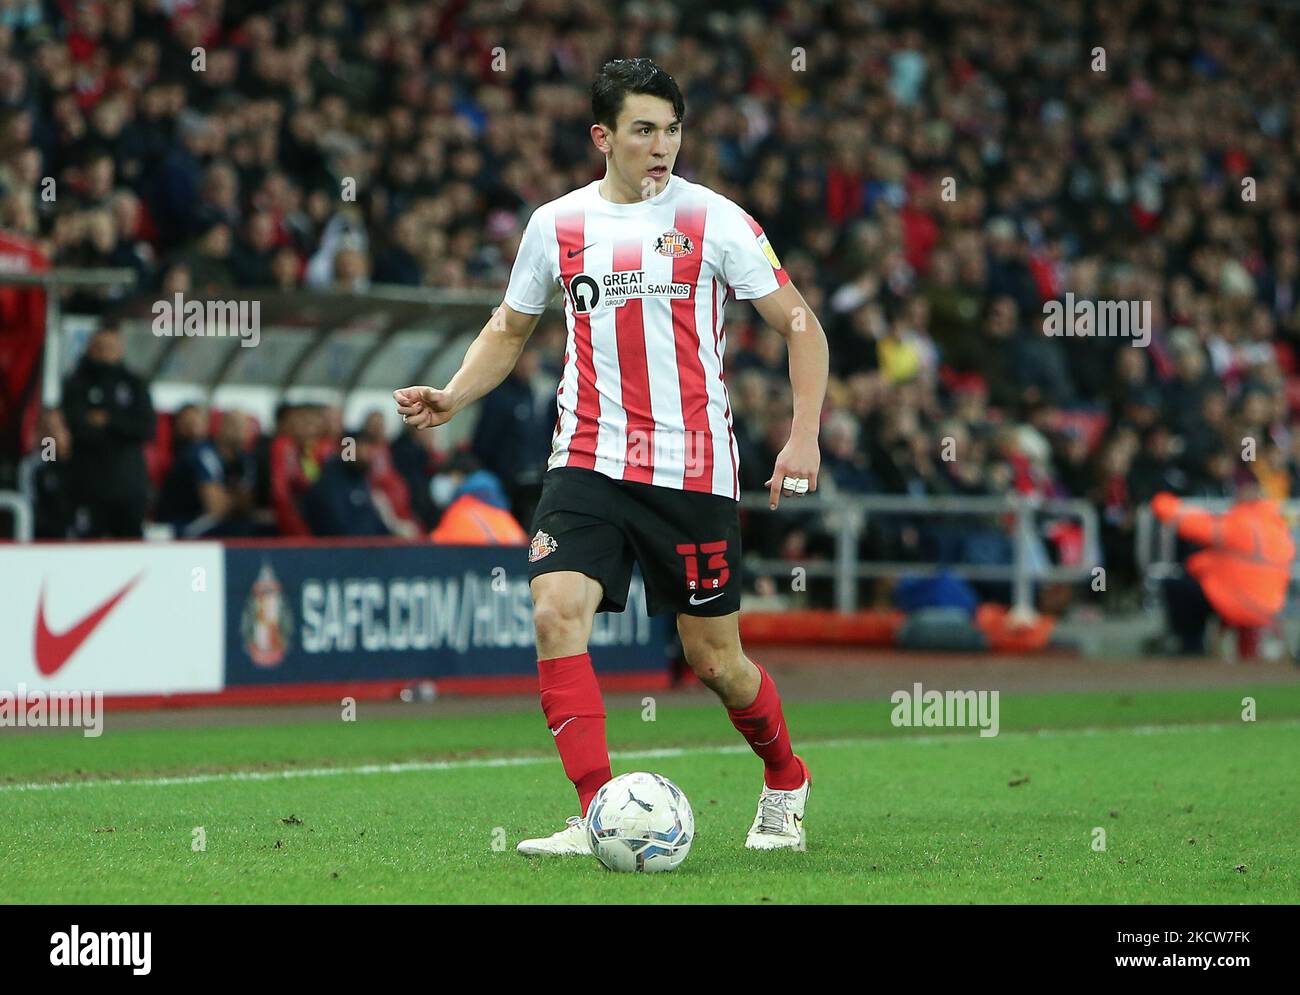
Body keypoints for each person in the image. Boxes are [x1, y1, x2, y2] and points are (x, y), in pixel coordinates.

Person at [395, 59, 828, 855]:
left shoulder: (715, 219)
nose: (661, 146)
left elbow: (801, 324)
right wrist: (454, 395)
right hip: (588, 455)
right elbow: (509, 327)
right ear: (603, 136)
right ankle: (597, 812)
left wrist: (803, 432)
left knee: (715, 659)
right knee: (556, 610)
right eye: (643, 130)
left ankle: (785, 778)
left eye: (671, 129)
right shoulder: (556, 225)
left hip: (692, 467)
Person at [1152, 483, 1295, 658]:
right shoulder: (1279, 529)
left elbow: (1185, 523)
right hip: (1270, 606)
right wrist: (1199, 564)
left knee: (1177, 586)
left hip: (1238, 601)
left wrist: (1161, 500)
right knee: (1194, 580)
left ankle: (1190, 647)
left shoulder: (1240, 522)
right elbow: (1237, 562)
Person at [61, 325, 155, 538]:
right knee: (87, 550)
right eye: (99, 347)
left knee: (131, 551)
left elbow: (146, 428)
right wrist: (122, 427)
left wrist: (108, 420)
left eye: (110, 347)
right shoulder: (76, 383)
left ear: (120, 350)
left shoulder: (135, 383)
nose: (104, 353)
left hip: (130, 486)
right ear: (89, 349)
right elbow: (77, 427)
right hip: (88, 485)